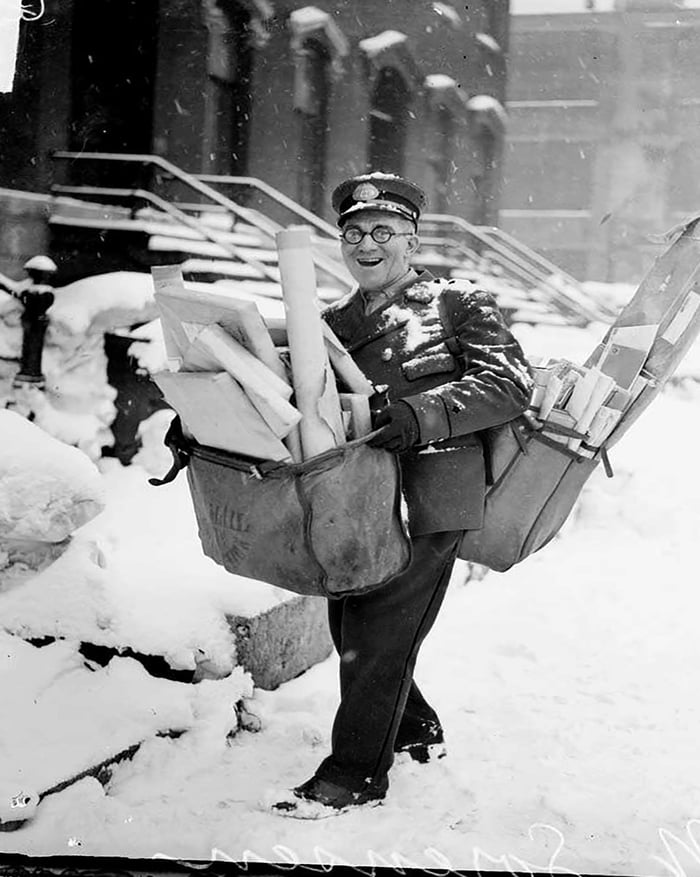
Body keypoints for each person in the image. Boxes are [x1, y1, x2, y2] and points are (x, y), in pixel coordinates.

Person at [270, 172, 534, 818]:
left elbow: (510, 383)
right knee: (349, 624)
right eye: (354, 233)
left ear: (411, 241)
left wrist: (424, 415)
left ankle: (355, 773)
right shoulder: (328, 324)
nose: (367, 244)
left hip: (432, 497)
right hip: (356, 501)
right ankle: (415, 727)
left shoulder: (457, 303)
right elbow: (282, 398)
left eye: (383, 232)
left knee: (381, 626)